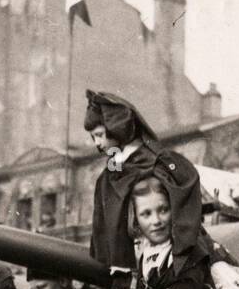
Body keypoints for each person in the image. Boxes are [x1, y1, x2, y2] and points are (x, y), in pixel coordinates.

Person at [83, 90, 203, 272]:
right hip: (133, 259)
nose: (97, 144)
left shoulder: (159, 163)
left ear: (117, 126)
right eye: (93, 137)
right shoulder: (109, 175)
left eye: (99, 135)